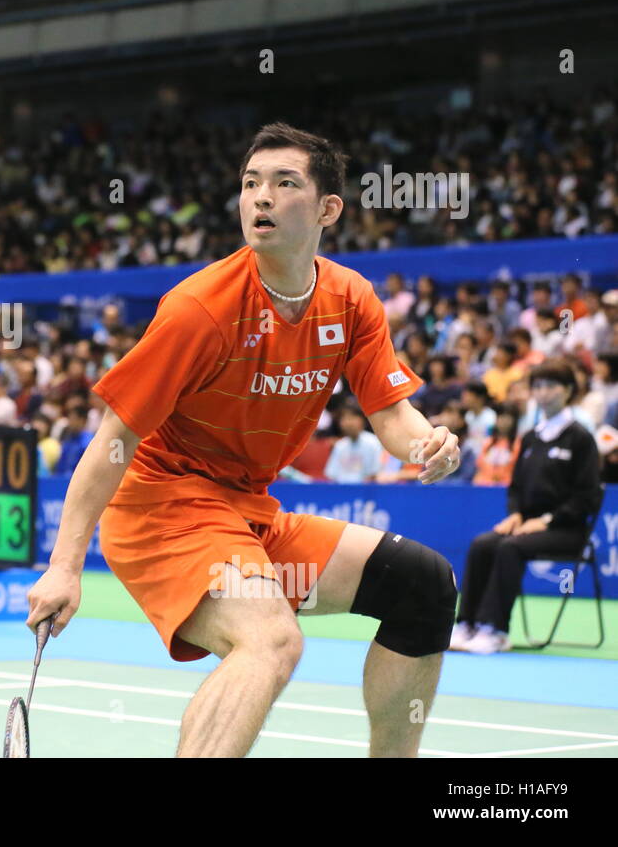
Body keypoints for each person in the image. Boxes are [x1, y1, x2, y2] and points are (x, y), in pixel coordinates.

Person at [27, 122, 461, 758]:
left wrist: (429, 444)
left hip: (245, 513)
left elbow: (392, 415)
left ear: (327, 209)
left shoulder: (351, 300)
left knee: (423, 584)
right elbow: (113, 439)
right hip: (161, 511)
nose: (261, 197)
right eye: (251, 183)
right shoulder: (199, 309)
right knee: (270, 638)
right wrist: (65, 566)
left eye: (285, 184)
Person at [451, 360, 603, 654]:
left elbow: (587, 496)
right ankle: (467, 623)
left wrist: (547, 520)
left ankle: (495, 629)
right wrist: (517, 514)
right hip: (527, 525)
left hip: (568, 529)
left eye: (551, 386)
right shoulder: (532, 437)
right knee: (483, 544)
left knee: (510, 547)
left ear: (568, 390)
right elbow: (517, 487)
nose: (543, 393)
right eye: (538, 386)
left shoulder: (581, 438)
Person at [323, 404, 384, 483]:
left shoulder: (374, 443)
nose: (347, 423)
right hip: (341, 491)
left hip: (364, 492)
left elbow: (374, 474)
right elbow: (332, 475)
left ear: (363, 420)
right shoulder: (340, 445)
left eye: (351, 418)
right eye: (344, 419)